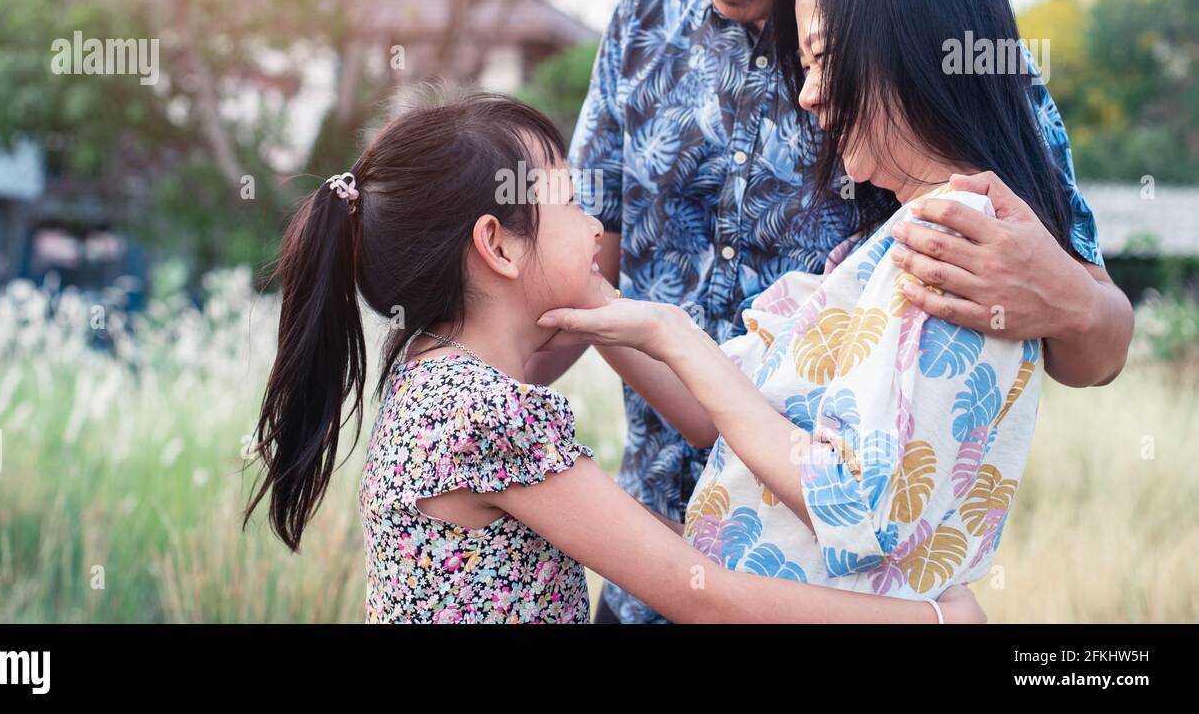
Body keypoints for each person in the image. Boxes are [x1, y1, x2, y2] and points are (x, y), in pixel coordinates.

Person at [525, 0, 1132, 624]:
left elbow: (1099, 342)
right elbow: (575, 272)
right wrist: (462, 373)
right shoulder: (642, 27)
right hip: (650, 569)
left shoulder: (949, 55)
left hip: (844, 598)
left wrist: (1063, 296)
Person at [244, 93, 984, 623]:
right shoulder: (483, 410)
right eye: (571, 200)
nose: (597, 221)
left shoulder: (430, 378)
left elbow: (671, 497)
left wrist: (606, 300)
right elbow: (696, 593)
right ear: (496, 244)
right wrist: (928, 619)